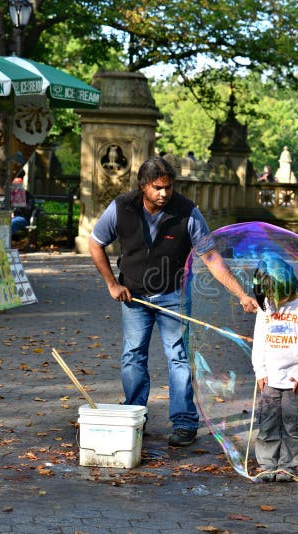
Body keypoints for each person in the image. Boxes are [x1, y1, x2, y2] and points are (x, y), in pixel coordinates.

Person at [88, 156, 258, 447]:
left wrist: (241, 292)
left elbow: (212, 258)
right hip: (134, 295)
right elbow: (95, 242)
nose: (164, 194)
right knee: (133, 356)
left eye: (168, 187)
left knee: (178, 357)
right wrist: (112, 284)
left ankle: (183, 423)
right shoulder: (121, 208)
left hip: (174, 296)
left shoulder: (187, 213)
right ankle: (135, 414)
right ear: (143, 185)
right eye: (157, 187)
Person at [250, 254, 298, 482]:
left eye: (275, 295)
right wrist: (260, 370)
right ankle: (267, 464)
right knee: (267, 423)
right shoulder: (266, 304)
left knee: (292, 425)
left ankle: (287, 465)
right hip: (270, 377)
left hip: (294, 380)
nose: (272, 301)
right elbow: (259, 339)